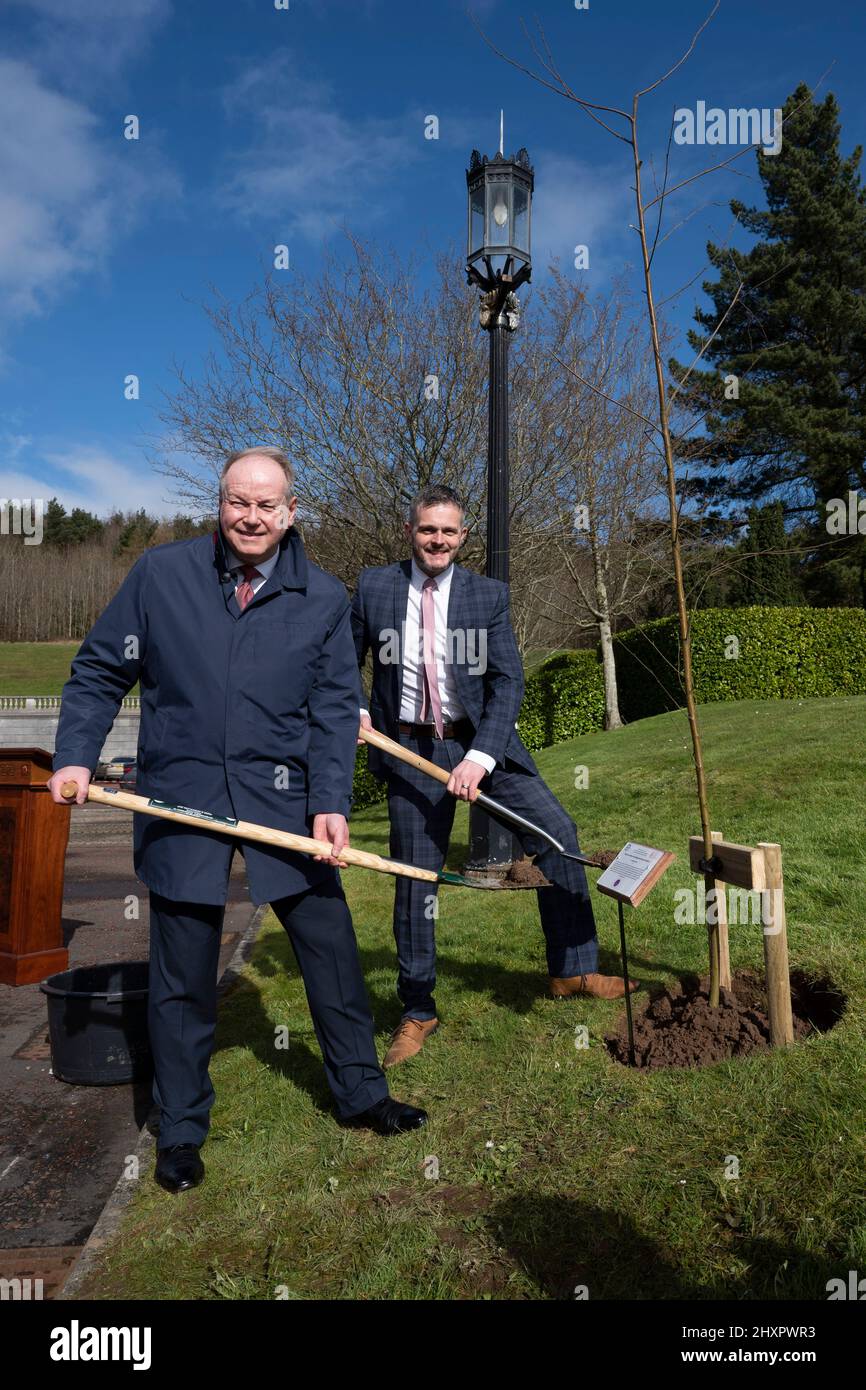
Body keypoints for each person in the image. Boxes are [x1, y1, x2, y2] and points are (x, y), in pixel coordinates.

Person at [48, 448, 426, 1194]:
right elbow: (98, 671)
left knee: (331, 953)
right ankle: (181, 1129)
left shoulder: (322, 598)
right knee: (182, 976)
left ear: (291, 513)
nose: (251, 517)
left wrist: (330, 805)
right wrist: (76, 756)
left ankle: (361, 1093)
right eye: (237, 502)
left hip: (285, 803)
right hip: (178, 798)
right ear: (219, 504)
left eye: (267, 505)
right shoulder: (161, 576)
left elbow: (328, 714)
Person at [351, 483, 636, 1068]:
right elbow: (341, 660)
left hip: (484, 746)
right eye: (428, 529)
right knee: (415, 879)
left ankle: (574, 970)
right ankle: (418, 1010)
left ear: (462, 536)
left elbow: (508, 682)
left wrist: (480, 757)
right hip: (409, 750)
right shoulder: (374, 587)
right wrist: (353, 710)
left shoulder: (488, 596)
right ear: (411, 530)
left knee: (559, 836)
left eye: (449, 531)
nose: (438, 540)